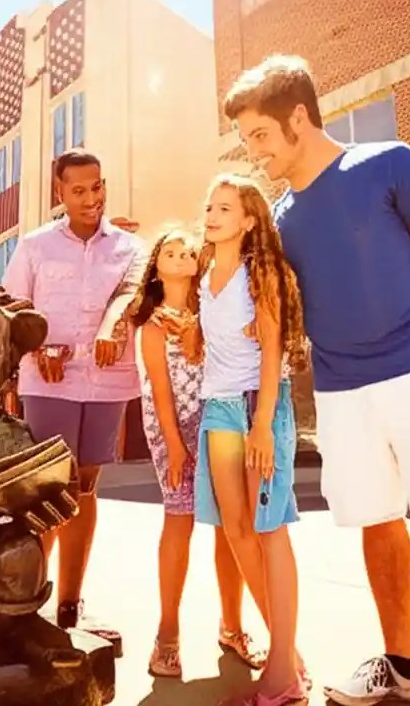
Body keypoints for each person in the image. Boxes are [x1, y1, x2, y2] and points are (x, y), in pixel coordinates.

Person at [222, 54, 410, 706]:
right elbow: (269, 307)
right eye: (246, 142)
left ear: (298, 117)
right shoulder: (282, 218)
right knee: (379, 525)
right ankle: (403, 671)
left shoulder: (390, 163)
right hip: (343, 391)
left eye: (260, 136)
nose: (255, 153)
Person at [168, 174, 308, 706]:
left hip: (257, 405)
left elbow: (272, 350)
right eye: (209, 206)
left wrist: (265, 424)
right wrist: (185, 330)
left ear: (249, 220)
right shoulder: (205, 273)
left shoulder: (262, 270)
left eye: (224, 208)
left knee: (269, 530)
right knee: (236, 530)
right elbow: (207, 344)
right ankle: (287, 655)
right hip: (217, 407)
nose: (211, 215)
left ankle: (282, 676)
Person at [0, 148, 145, 629]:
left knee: (84, 488)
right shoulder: (34, 246)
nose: (91, 198)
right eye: (79, 190)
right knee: (48, 490)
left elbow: (133, 293)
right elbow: (13, 312)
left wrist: (110, 327)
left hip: (108, 383)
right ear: (58, 192)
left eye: (97, 186)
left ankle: (70, 602)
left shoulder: (127, 247)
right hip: (49, 384)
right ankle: (25, 597)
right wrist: (38, 347)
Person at [126, 226, 265, 678]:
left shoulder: (210, 313)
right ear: (157, 267)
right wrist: (175, 445)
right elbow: (160, 392)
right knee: (179, 519)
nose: (182, 254)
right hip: (173, 429)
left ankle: (233, 626)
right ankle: (167, 635)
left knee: (230, 523)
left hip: (218, 420)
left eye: (188, 250)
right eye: (171, 250)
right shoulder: (150, 325)